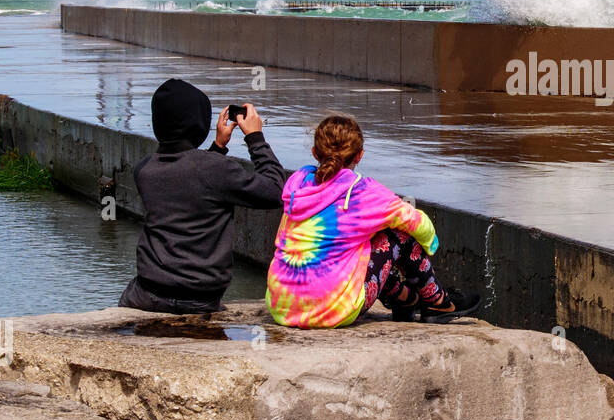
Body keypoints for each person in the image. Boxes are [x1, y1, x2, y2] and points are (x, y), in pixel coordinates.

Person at [266, 113, 480, 328]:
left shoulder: (298, 185)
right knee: (398, 235)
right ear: (359, 155)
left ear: (314, 152)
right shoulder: (363, 192)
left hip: (282, 306)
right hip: (332, 310)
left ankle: (406, 299)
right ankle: (437, 302)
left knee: (355, 247)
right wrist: (430, 244)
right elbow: (419, 224)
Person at [118, 78, 287, 315]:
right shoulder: (216, 169)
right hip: (199, 299)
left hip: (146, 293)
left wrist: (218, 147)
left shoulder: (145, 169)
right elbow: (275, 192)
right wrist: (255, 138)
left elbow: (190, 180)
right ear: (199, 125)